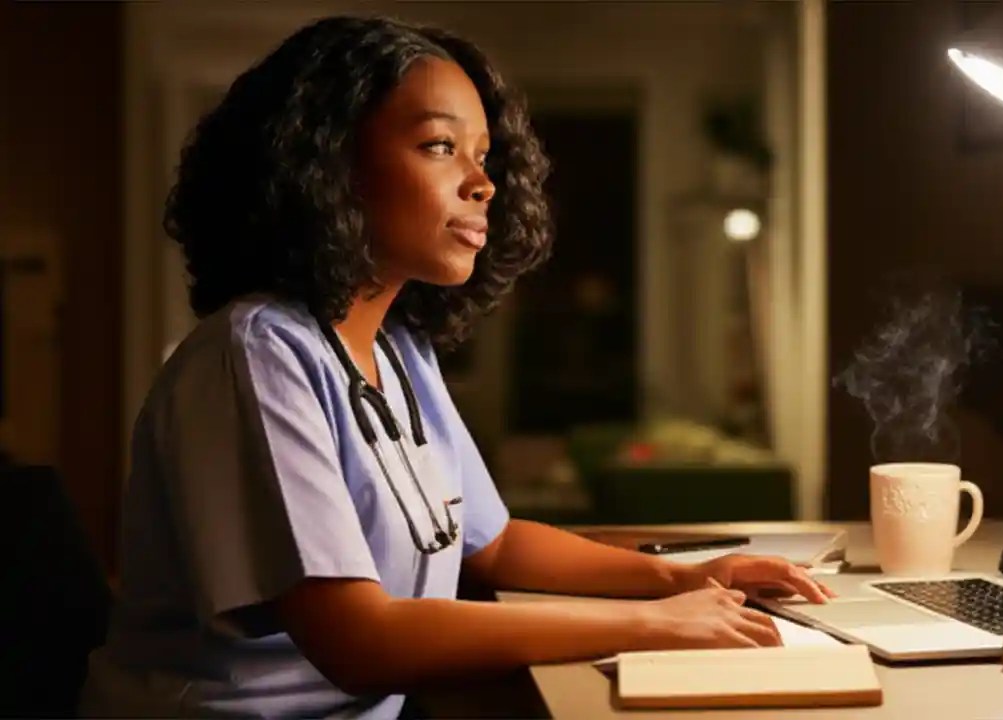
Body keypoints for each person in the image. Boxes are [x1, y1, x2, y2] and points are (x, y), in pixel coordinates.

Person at [78, 16, 833, 719]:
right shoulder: (255, 353)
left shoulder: (399, 348)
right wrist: (650, 624)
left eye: (483, 156)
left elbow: (494, 544)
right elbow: (359, 641)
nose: (483, 183)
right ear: (327, 163)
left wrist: (691, 575)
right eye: (440, 147)